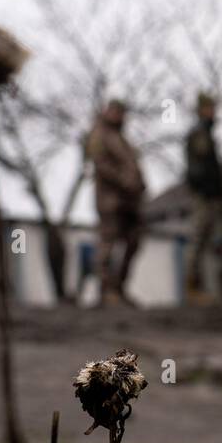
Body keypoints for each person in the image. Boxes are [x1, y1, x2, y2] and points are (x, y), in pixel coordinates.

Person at [85, 99, 144, 307]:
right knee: (108, 242)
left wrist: (139, 184)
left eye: (122, 112)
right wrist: (124, 180)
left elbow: (133, 167)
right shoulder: (99, 134)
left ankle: (119, 288)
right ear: (107, 111)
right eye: (116, 111)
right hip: (110, 199)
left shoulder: (121, 138)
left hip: (130, 201)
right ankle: (105, 290)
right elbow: (101, 164)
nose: (120, 116)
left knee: (133, 241)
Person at [184, 91, 222, 303]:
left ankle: (211, 288)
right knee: (199, 238)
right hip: (204, 195)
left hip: (211, 195)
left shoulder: (205, 133)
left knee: (212, 240)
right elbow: (200, 168)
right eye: (210, 108)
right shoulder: (199, 133)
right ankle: (193, 287)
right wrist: (209, 189)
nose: (213, 113)